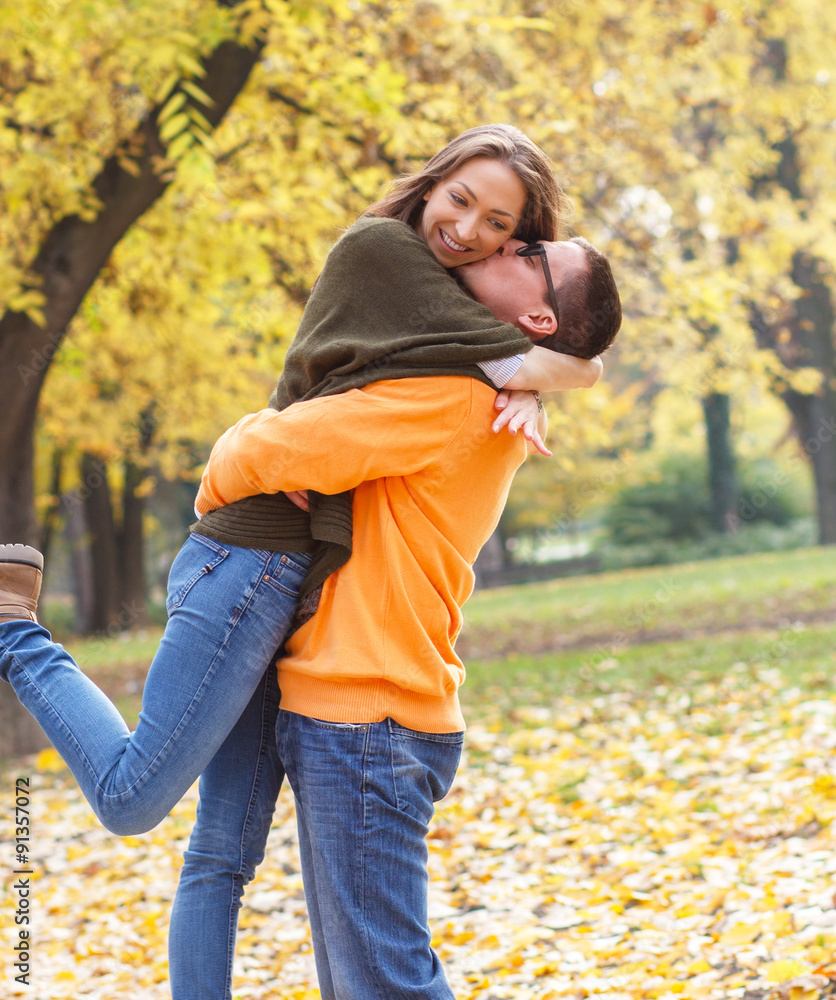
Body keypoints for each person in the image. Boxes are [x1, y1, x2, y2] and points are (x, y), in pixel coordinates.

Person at [0, 125, 610, 989]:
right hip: (253, 559)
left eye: (510, 232)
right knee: (142, 803)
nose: (477, 231)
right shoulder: (387, 261)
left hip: (310, 619)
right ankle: (12, 628)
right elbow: (256, 460)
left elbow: (484, 369)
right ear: (431, 185)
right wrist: (555, 370)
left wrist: (547, 374)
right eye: (463, 199)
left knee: (225, 857)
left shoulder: (460, 368)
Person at [172, 232, 621, 1000]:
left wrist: (236, 442)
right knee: (366, 981)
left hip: (366, 720)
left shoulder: (448, 398)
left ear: (541, 319)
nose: (513, 241)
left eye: (535, 253)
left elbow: (253, 459)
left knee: (383, 985)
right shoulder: (473, 389)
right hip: (371, 713)